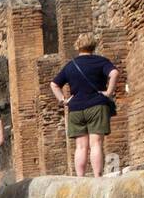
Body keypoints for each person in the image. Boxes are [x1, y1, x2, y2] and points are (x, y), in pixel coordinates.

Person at [50, 34, 119, 178]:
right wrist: (108, 92)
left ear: (78, 46)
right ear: (94, 45)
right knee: (96, 144)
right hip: (96, 105)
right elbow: (114, 73)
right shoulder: (101, 61)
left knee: (80, 146)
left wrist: (63, 100)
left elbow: (54, 84)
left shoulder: (70, 65)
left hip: (75, 109)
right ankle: (97, 177)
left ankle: (80, 179)